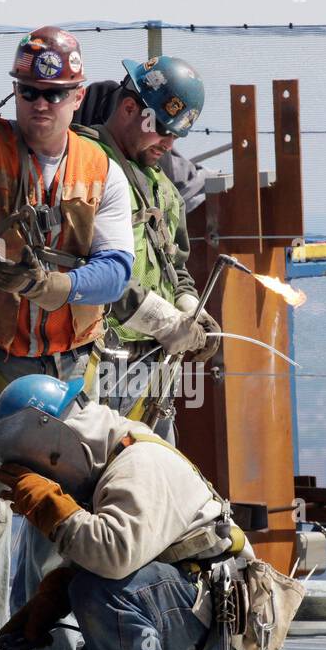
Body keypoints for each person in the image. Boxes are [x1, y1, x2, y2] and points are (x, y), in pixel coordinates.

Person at [0, 26, 134, 650]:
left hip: (67, 368)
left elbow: (117, 269)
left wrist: (56, 288)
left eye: (53, 94)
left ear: (78, 97)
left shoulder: (100, 170)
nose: (39, 104)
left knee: (63, 517)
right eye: (27, 92)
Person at [0, 375, 297, 650]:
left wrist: (53, 509)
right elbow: (132, 555)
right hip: (189, 621)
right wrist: (54, 596)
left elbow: (115, 556)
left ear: (56, 451)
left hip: (211, 624)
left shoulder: (138, 463)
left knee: (98, 593)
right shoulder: (113, 463)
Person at [73, 55, 219, 436]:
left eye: (177, 136)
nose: (169, 144)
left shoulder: (163, 190)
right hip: (97, 366)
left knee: (154, 484)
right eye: (162, 129)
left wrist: (188, 304)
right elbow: (82, 267)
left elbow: (177, 266)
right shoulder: (84, 171)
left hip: (153, 371)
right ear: (127, 108)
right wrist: (161, 319)